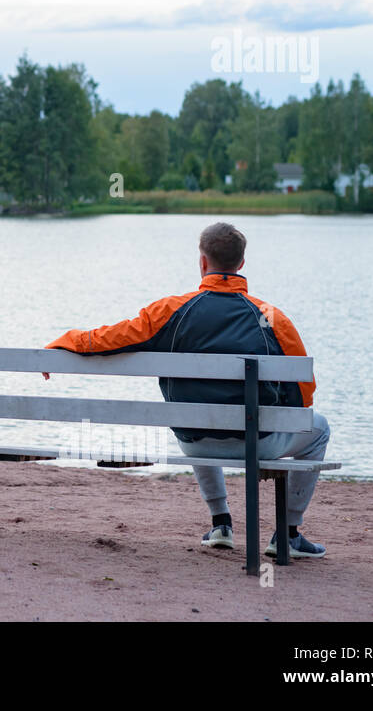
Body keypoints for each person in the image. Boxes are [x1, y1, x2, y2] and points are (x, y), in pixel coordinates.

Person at [40, 221, 330, 559]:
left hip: (196, 440)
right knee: (319, 428)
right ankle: (288, 533)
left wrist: (65, 343)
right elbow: (303, 393)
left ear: (203, 263)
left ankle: (221, 523)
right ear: (241, 264)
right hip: (260, 442)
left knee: (199, 412)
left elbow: (111, 338)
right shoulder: (272, 318)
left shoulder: (170, 311)